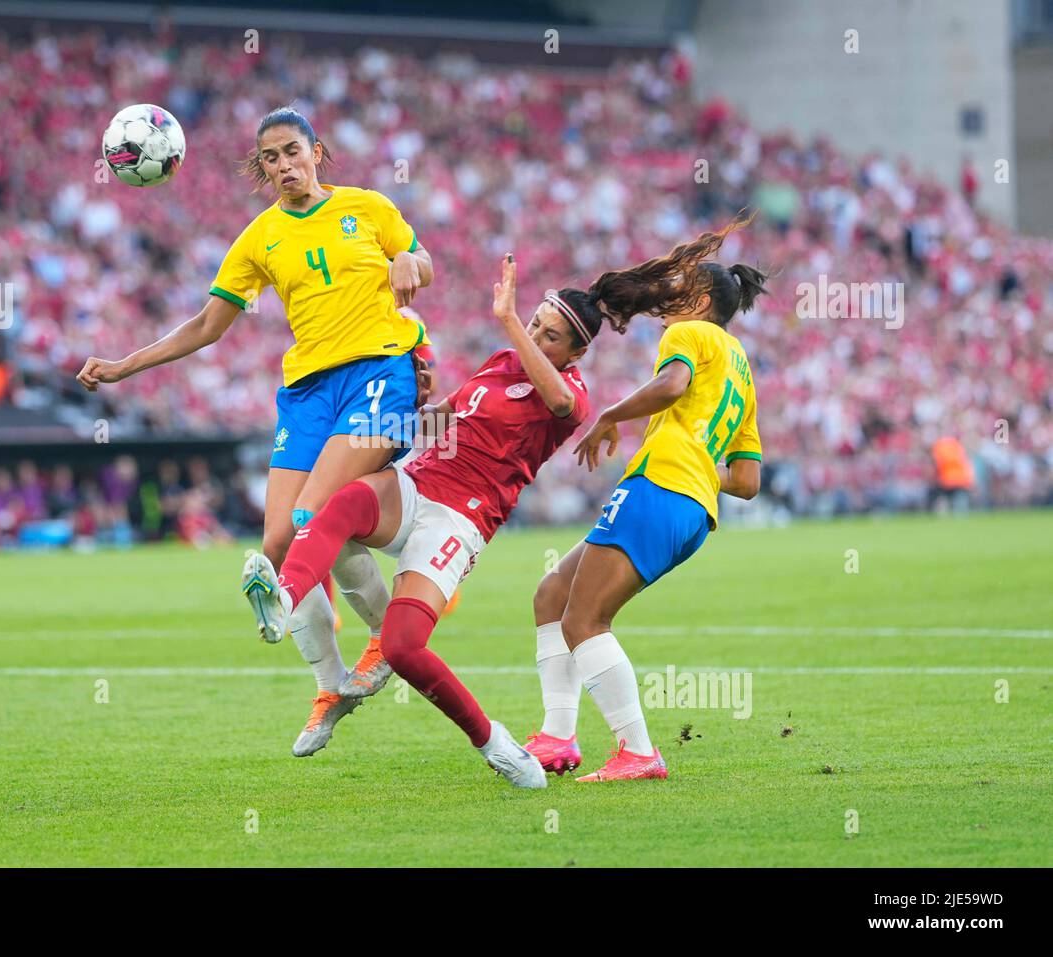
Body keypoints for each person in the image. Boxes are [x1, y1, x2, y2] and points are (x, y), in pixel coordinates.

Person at [243, 229, 732, 781]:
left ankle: (492, 741)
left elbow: (560, 400)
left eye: (549, 336)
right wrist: (411, 405)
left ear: (576, 353)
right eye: (533, 326)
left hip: (460, 519)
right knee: (343, 504)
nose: (534, 336)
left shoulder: (571, 398)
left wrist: (507, 318)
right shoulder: (502, 361)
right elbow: (442, 423)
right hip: (420, 486)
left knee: (407, 649)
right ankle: (283, 600)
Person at [77, 106, 434, 742]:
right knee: (276, 544)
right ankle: (332, 685)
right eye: (270, 158)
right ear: (261, 166)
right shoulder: (259, 238)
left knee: (313, 519)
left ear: (316, 152)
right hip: (306, 391)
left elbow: (419, 261)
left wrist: (412, 262)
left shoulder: (369, 207)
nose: (284, 166)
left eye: (293, 152)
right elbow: (208, 326)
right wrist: (126, 365)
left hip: (380, 373)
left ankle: (386, 638)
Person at [526, 228, 769, 783]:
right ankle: (557, 736)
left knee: (585, 620)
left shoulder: (690, 333)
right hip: (693, 510)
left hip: (658, 489)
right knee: (552, 596)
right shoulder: (742, 368)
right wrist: (704, 468)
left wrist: (610, 415)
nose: (669, 296)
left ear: (702, 303)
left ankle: (637, 751)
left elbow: (670, 386)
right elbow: (749, 480)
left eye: (682, 287)